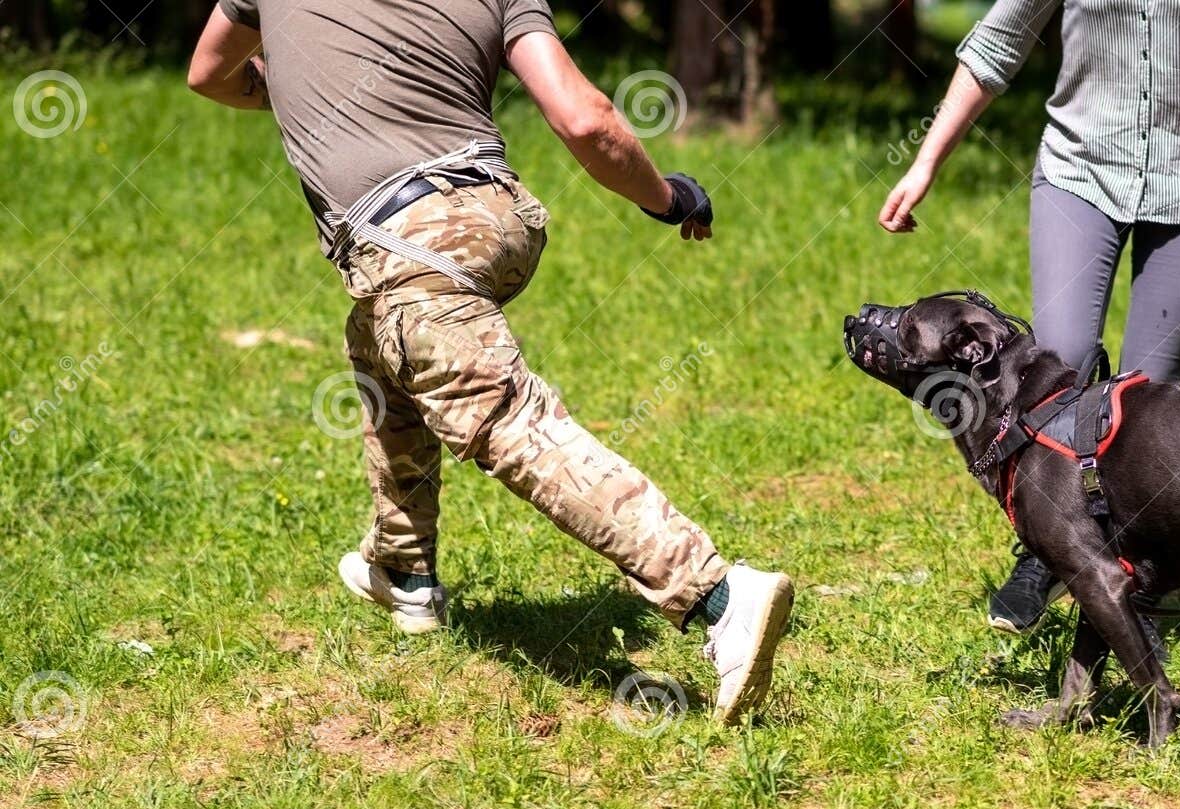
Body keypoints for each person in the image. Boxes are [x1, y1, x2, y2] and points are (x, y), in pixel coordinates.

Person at [187, 1, 792, 725]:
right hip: (499, 217)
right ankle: (403, 569)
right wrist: (667, 198)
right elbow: (585, 120)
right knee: (382, 338)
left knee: (508, 422)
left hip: (407, 237)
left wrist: (289, 84)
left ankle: (719, 595)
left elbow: (210, 73)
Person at [879, 0, 1180, 634]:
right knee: (1056, 363)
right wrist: (924, 163)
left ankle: (1129, 570)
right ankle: (1044, 549)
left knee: (1151, 404)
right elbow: (994, 47)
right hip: (1079, 171)